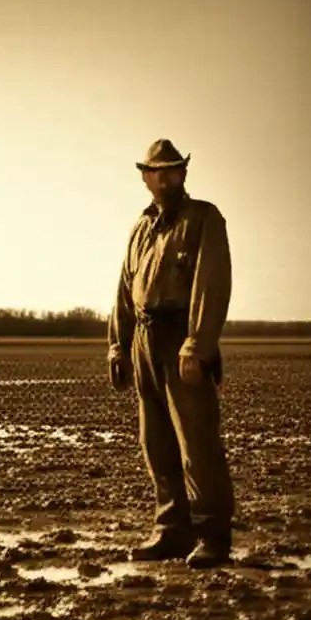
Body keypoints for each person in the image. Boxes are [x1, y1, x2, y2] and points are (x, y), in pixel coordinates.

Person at [107, 138, 235, 568]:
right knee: (156, 443)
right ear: (144, 177)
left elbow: (211, 285)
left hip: (181, 337)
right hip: (143, 340)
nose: (165, 178)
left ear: (183, 173)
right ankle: (171, 532)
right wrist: (117, 346)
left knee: (196, 442)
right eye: (156, 171)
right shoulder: (140, 228)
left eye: (173, 170)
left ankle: (213, 536)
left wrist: (197, 344)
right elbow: (125, 292)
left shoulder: (204, 218)